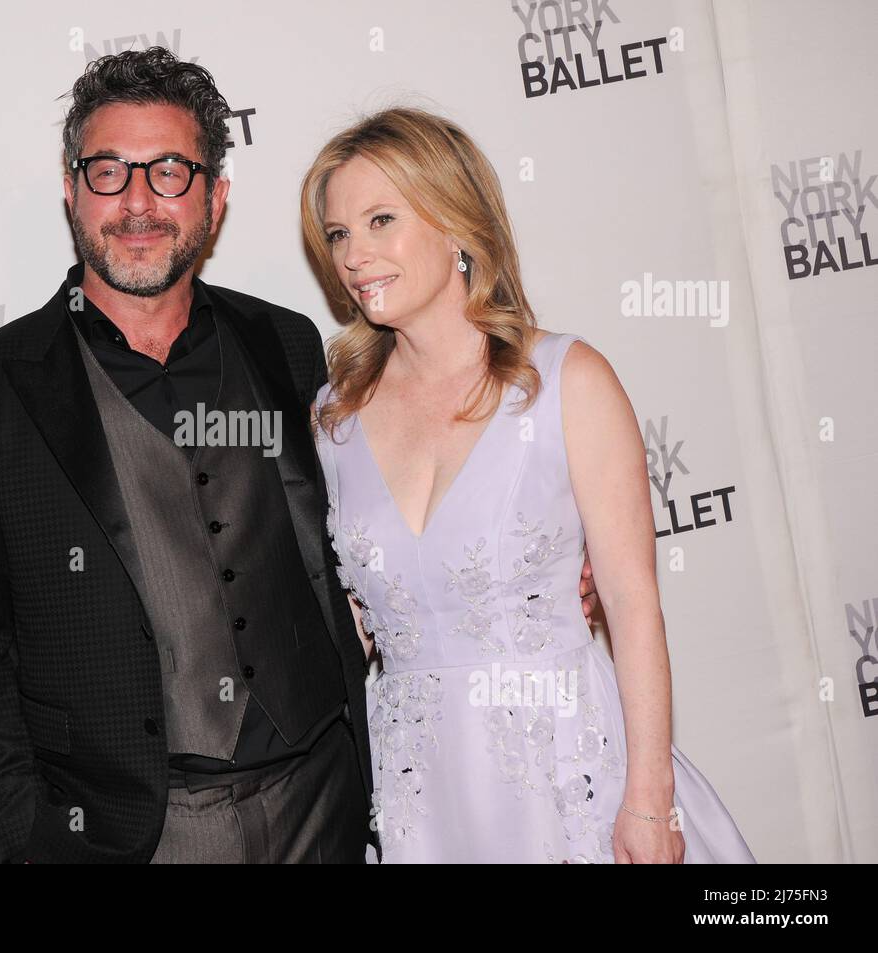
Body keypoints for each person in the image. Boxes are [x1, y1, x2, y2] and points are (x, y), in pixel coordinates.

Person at [0, 48, 599, 864]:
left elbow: (368, 522)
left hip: (328, 801)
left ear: (215, 197)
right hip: (134, 833)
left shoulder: (286, 343)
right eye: (108, 172)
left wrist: (533, 570)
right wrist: (29, 841)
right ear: (71, 189)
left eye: (169, 171)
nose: (138, 202)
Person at [304, 106, 756, 863]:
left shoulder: (566, 382)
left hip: (568, 770)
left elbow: (633, 604)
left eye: (381, 220)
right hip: (422, 796)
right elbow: (355, 618)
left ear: (456, 224)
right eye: (341, 233)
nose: (355, 255)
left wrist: (648, 800)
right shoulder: (334, 416)